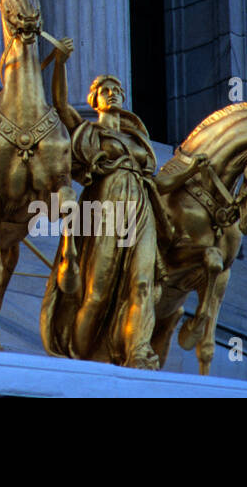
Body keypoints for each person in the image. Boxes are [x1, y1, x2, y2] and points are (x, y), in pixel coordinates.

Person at [42, 55, 162, 369]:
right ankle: (78, 357)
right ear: (94, 100)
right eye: (104, 89)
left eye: (116, 89)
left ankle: (137, 350)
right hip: (106, 203)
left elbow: (161, 181)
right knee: (96, 292)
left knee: (142, 283)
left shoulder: (137, 139)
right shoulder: (88, 132)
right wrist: (60, 63)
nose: (111, 93)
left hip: (141, 204)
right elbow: (60, 103)